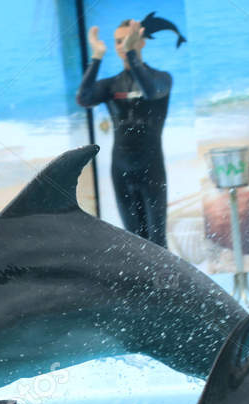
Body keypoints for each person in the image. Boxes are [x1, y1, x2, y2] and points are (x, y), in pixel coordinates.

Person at [76, 18, 172, 246]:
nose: (122, 45)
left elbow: (150, 92)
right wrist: (97, 56)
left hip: (152, 169)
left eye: (128, 40)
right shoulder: (111, 85)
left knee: (157, 242)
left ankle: (163, 273)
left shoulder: (162, 79)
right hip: (122, 169)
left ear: (142, 42)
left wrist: (131, 54)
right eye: (118, 42)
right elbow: (83, 98)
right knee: (133, 242)